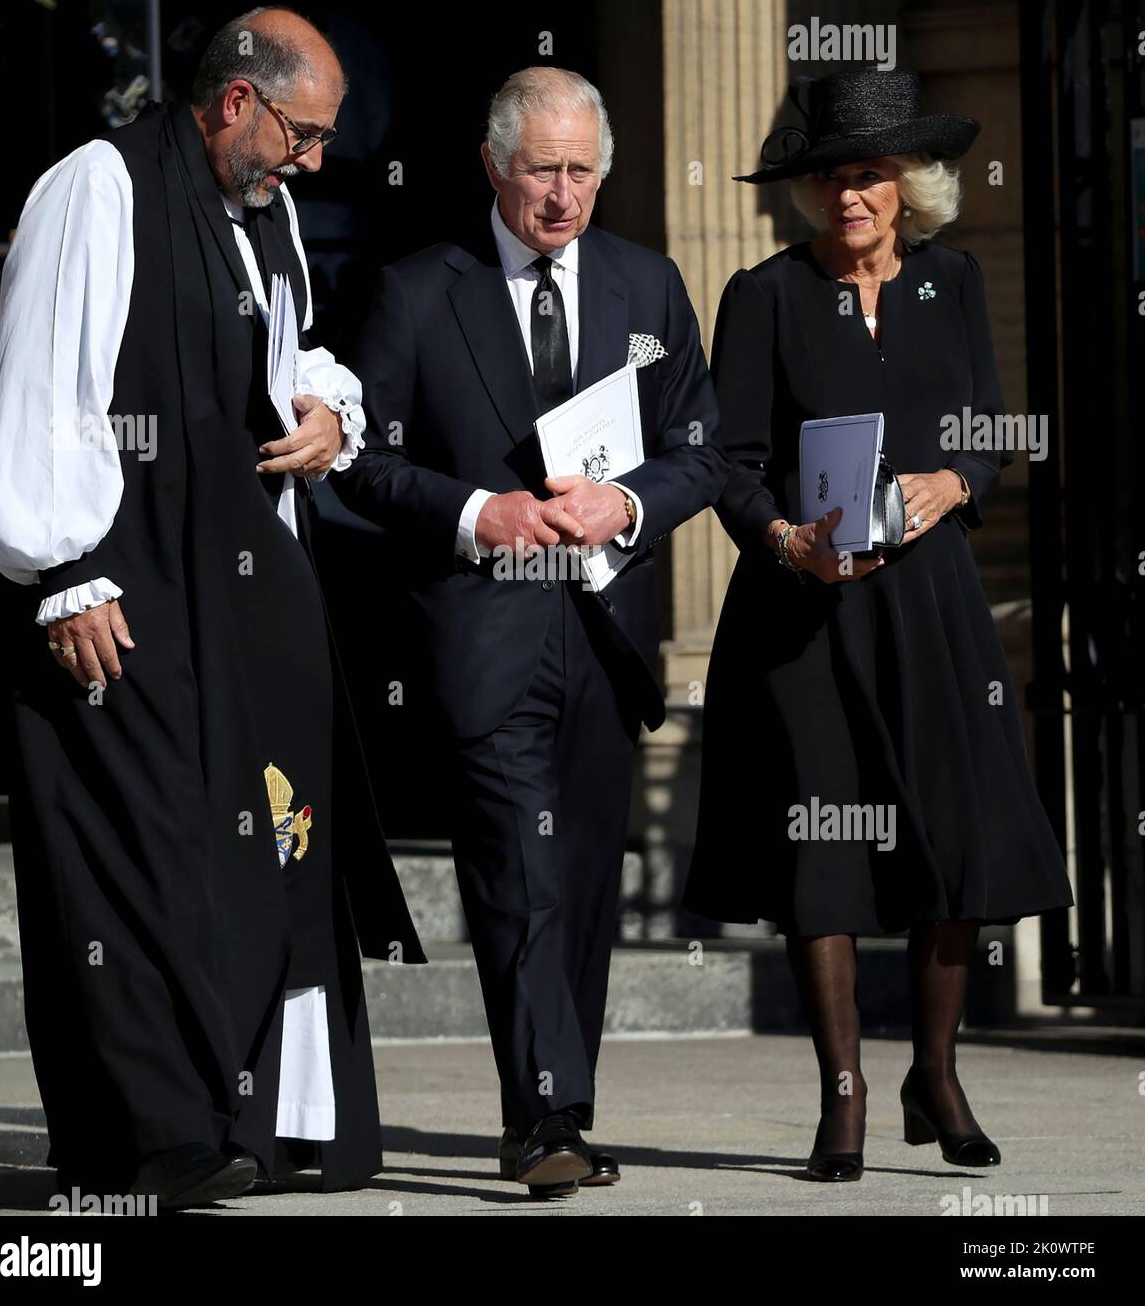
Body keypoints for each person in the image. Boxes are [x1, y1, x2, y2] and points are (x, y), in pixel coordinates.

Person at [0, 7, 424, 1207]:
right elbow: (43, 379)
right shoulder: (96, 186)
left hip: (249, 598)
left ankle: (267, 1119)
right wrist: (63, 566)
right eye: (305, 132)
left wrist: (330, 413)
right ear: (237, 100)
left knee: (267, 852)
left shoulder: (264, 213)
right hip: (122, 588)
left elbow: (294, 359)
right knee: (133, 861)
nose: (316, 162)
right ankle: (157, 1133)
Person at [335, 66, 725, 1196]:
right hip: (483, 631)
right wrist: (474, 512)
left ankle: (562, 1099)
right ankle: (544, 1114)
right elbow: (362, 460)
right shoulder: (416, 291)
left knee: (586, 883)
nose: (563, 195)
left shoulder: (646, 286)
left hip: (604, 634)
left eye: (582, 171)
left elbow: (706, 445)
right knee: (518, 868)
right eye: (542, 170)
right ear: (495, 167)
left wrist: (632, 499)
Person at [684, 66, 1073, 1182]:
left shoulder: (952, 281)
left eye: (869, 174)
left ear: (908, 185)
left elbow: (987, 433)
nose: (849, 194)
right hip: (804, 607)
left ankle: (935, 1072)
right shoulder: (763, 294)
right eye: (832, 177)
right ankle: (843, 1095)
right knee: (822, 848)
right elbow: (731, 463)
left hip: (931, 602)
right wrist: (784, 541)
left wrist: (957, 481)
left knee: (952, 841)